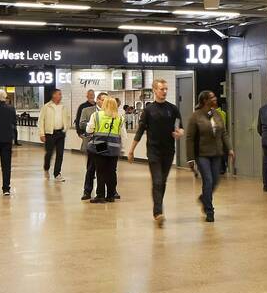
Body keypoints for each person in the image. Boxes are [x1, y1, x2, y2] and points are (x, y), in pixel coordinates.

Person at [129, 78, 183, 226]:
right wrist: (131, 150)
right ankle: (158, 212)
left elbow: (180, 127)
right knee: (157, 181)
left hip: (168, 151)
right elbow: (140, 131)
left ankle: (158, 207)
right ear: (154, 90)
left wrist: (179, 133)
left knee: (162, 182)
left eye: (166, 89)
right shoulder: (148, 110)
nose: (164, 92)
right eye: (161, 89)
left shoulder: (173, 109)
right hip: (153, 151)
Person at [185, 91, 232, 222]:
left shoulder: (217, 114)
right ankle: (209, 210)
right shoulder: (196, 116)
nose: (215, 98)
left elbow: (224, 133)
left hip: (217, 153)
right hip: (202, 154)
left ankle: (203, 198)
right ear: (205, 100)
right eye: (212, 97)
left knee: (216, 180)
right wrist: (190, 158)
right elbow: (190, 138)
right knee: (208, 180)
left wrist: (230, 149)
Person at [87, 94, 125, 203]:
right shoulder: (120, 118)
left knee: (100, 171)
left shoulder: (96, 115)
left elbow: (89, 130)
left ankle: (100, 195)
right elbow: (123, 135)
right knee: (111, 171)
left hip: (100, 145)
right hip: (114, 147)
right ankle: (111, 195)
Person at [38, 87, 68, 182]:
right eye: (59, 94)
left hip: (60, 133)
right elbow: (41, 121)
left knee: (60, 154)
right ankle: (46, 167)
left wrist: (65, 128)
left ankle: (57, 174)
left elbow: (67, 118)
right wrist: (42, 134)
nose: (61, 96)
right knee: (49, 153)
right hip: (50, 133)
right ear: (54, 95)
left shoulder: (63, 106)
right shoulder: (46, 107)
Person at [75, 89, 99, 201]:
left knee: (105, 167)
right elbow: (81, 123)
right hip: (91, 141)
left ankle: (106, 192)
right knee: (91, 167)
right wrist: (80, 132)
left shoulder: (107, 111)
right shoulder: (85, 109)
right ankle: (87, 191)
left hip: (103, 143)